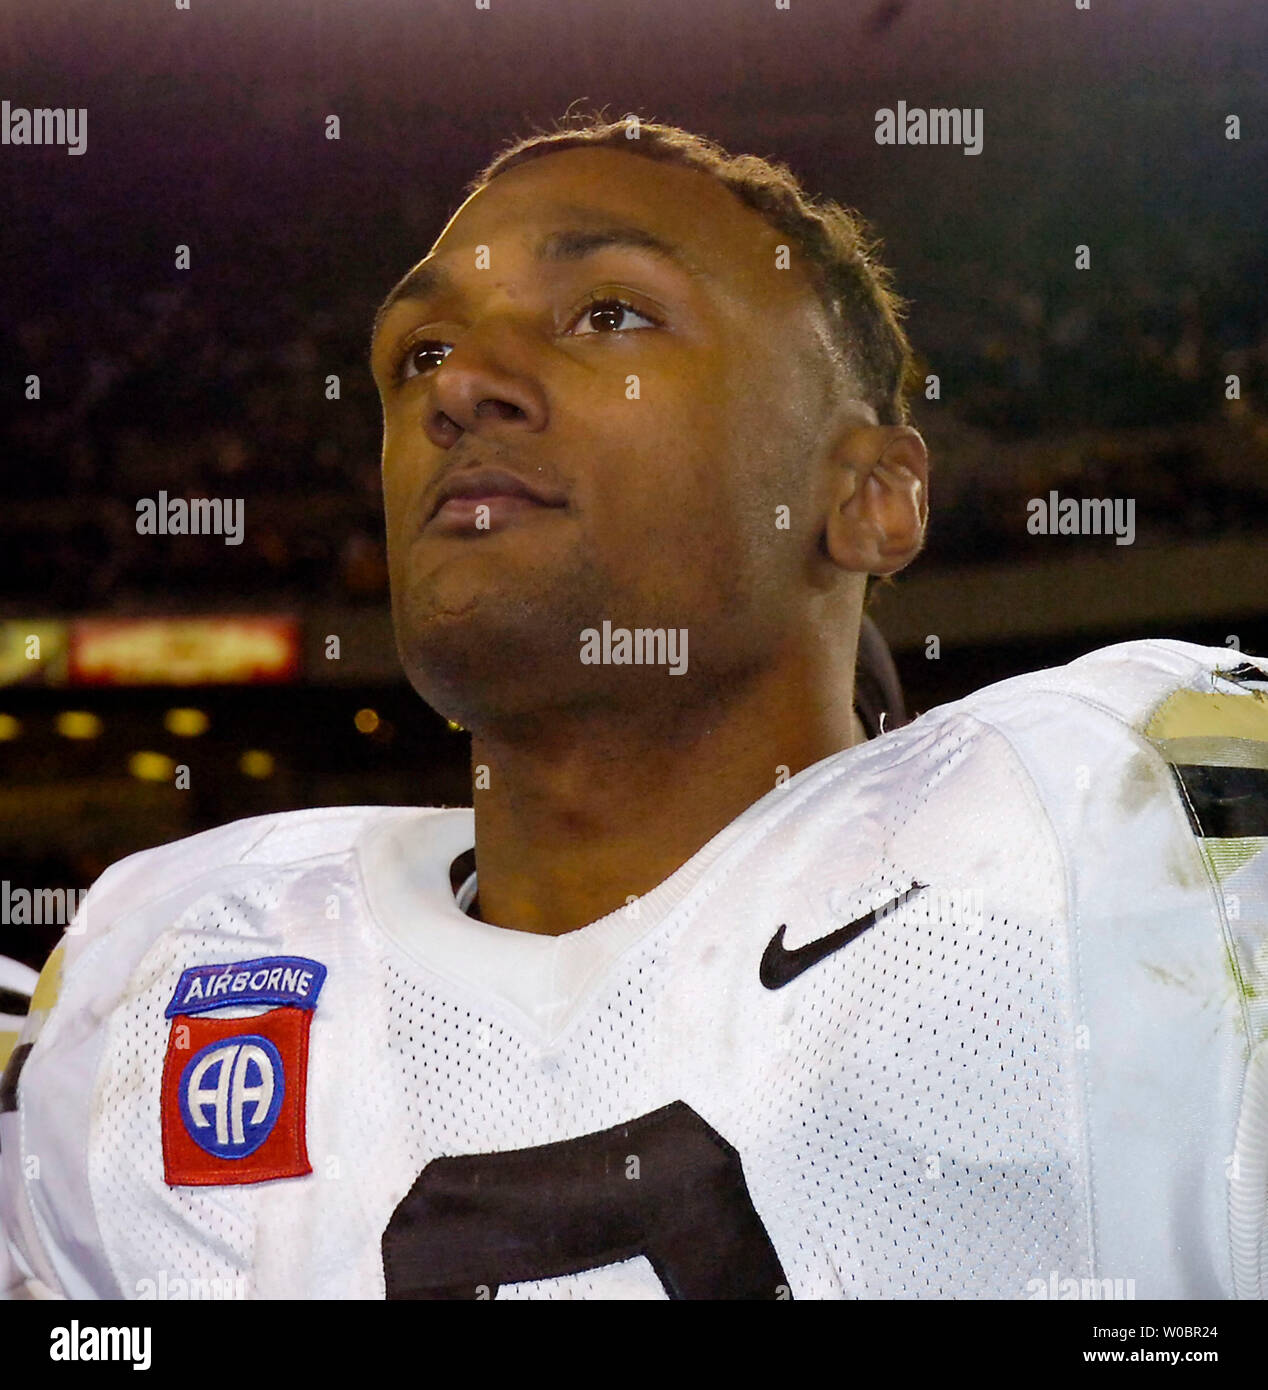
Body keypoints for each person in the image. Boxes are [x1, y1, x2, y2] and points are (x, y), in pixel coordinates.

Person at [3, 116, 1265, 1300]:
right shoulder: (166, 970)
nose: (460, 388)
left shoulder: (1113, 829)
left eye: (605, 313)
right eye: (420, 353)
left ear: (871, 497)